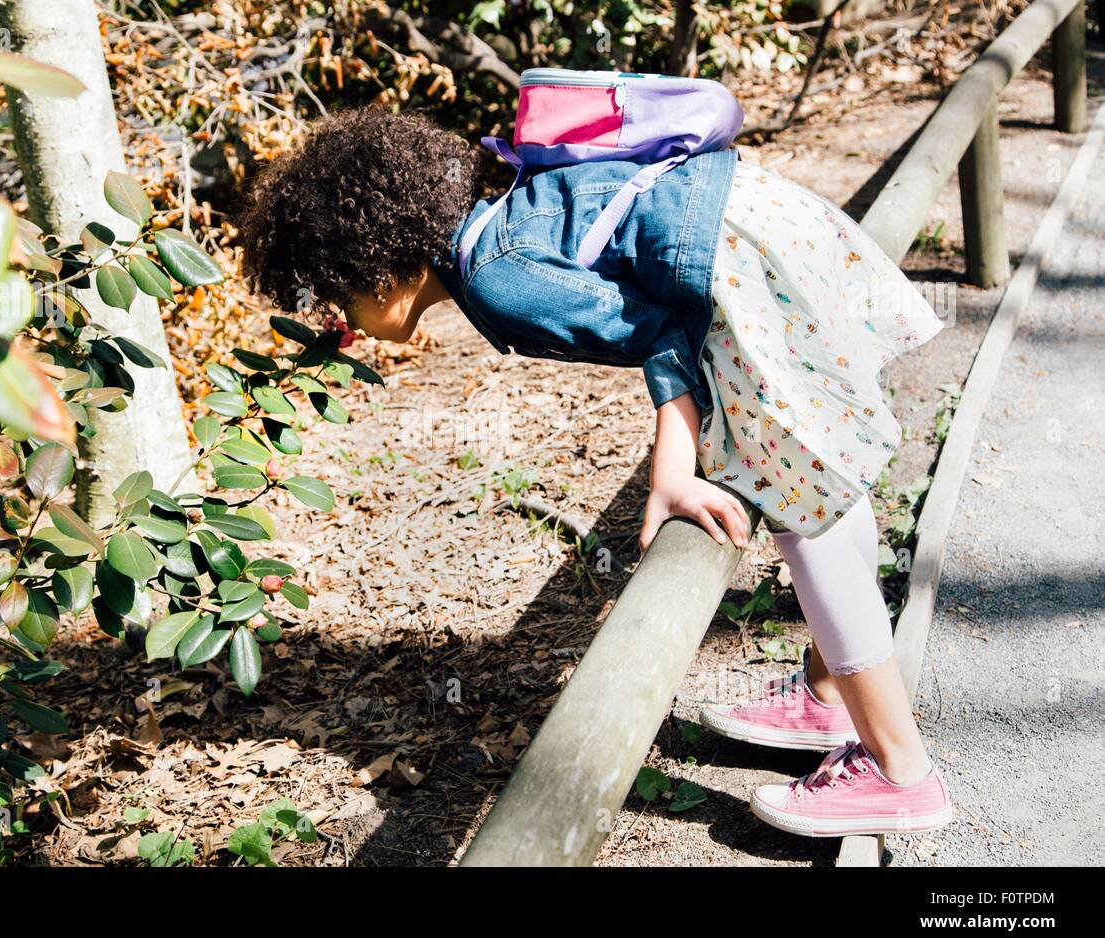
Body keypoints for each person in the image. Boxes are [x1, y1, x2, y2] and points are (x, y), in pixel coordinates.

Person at [237, 107, 951, 839]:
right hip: (759, 221)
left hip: (729, 263)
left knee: (805, 514)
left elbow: (666, 331)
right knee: (819, 486)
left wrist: (672, 472)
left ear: (388, 269)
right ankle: (828, 693)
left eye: (336, 294)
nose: (336, 319)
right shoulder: (510, 218)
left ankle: (901, 771)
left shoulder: (496, 279)